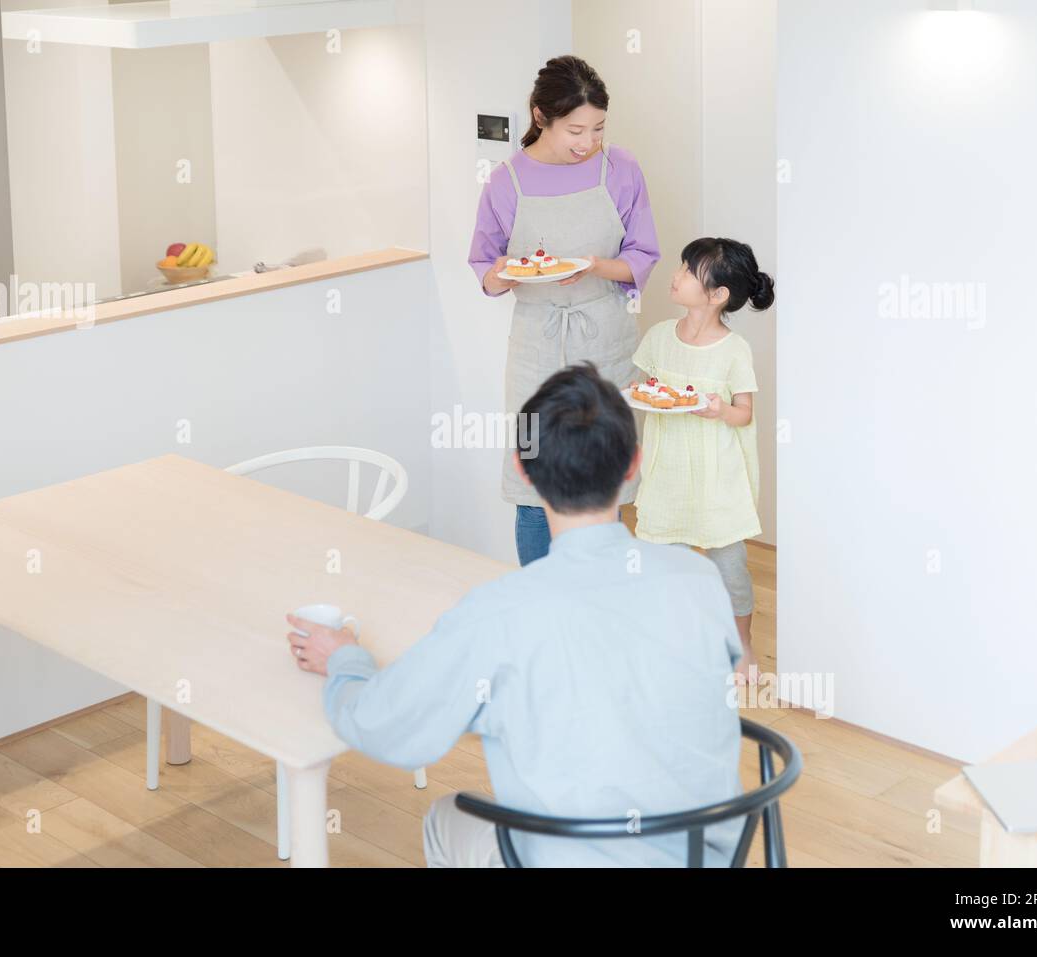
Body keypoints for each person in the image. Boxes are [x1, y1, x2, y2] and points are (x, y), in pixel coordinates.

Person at [286, 364, 742, 867]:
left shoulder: (501, 611)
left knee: (446, 817)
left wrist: (345, 658)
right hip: (707, 856)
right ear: (633, 464)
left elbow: (389, 730)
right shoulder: (698, 580)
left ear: (523, 469)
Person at [468, 54, 660, 566]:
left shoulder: (621, 168)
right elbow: (486, 270)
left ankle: (597, 602)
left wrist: (597, 265)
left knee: (603, 482)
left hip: (605, 340)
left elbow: (643, 256)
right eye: (576, 129)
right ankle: (540, 602)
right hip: (536, 344)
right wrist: (507, 270)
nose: (588, 142)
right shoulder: (504, 182)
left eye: (598, 128)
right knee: (534, 479)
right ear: (540, 117)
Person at [630, 238, 774, 681]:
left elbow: (745, 412)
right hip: (667, 473)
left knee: (730, 569)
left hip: (716, 478)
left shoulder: (734, 351)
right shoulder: (658, 337)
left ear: (717, 295)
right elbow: (646, 390)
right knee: (659, 566)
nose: (677, 276)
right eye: (682, 266)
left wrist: (717, 410)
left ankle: (743, 646)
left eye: (690, 271)